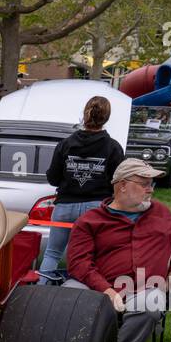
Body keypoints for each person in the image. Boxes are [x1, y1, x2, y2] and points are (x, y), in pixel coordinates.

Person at [64, 158, 171, 342]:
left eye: (151, 184)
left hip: (144, 289)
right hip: (99, 289)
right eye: (144, 183)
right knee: (67, 298)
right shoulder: (91, 221)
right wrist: (106, 290)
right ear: (122, 185)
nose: (150, 189)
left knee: (150, 304)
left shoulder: (161, 213)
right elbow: (78, 263)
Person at [39, 95, 125, 286]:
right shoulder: (113, 147)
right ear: (107, 117)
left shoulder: (65, 144)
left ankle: (40, 290)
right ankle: (81, 298)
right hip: (96, 208)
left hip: (65, 206)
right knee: (89, 256)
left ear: (85, 114)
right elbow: (119, 182)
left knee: (52, 252)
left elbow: (53, 178)